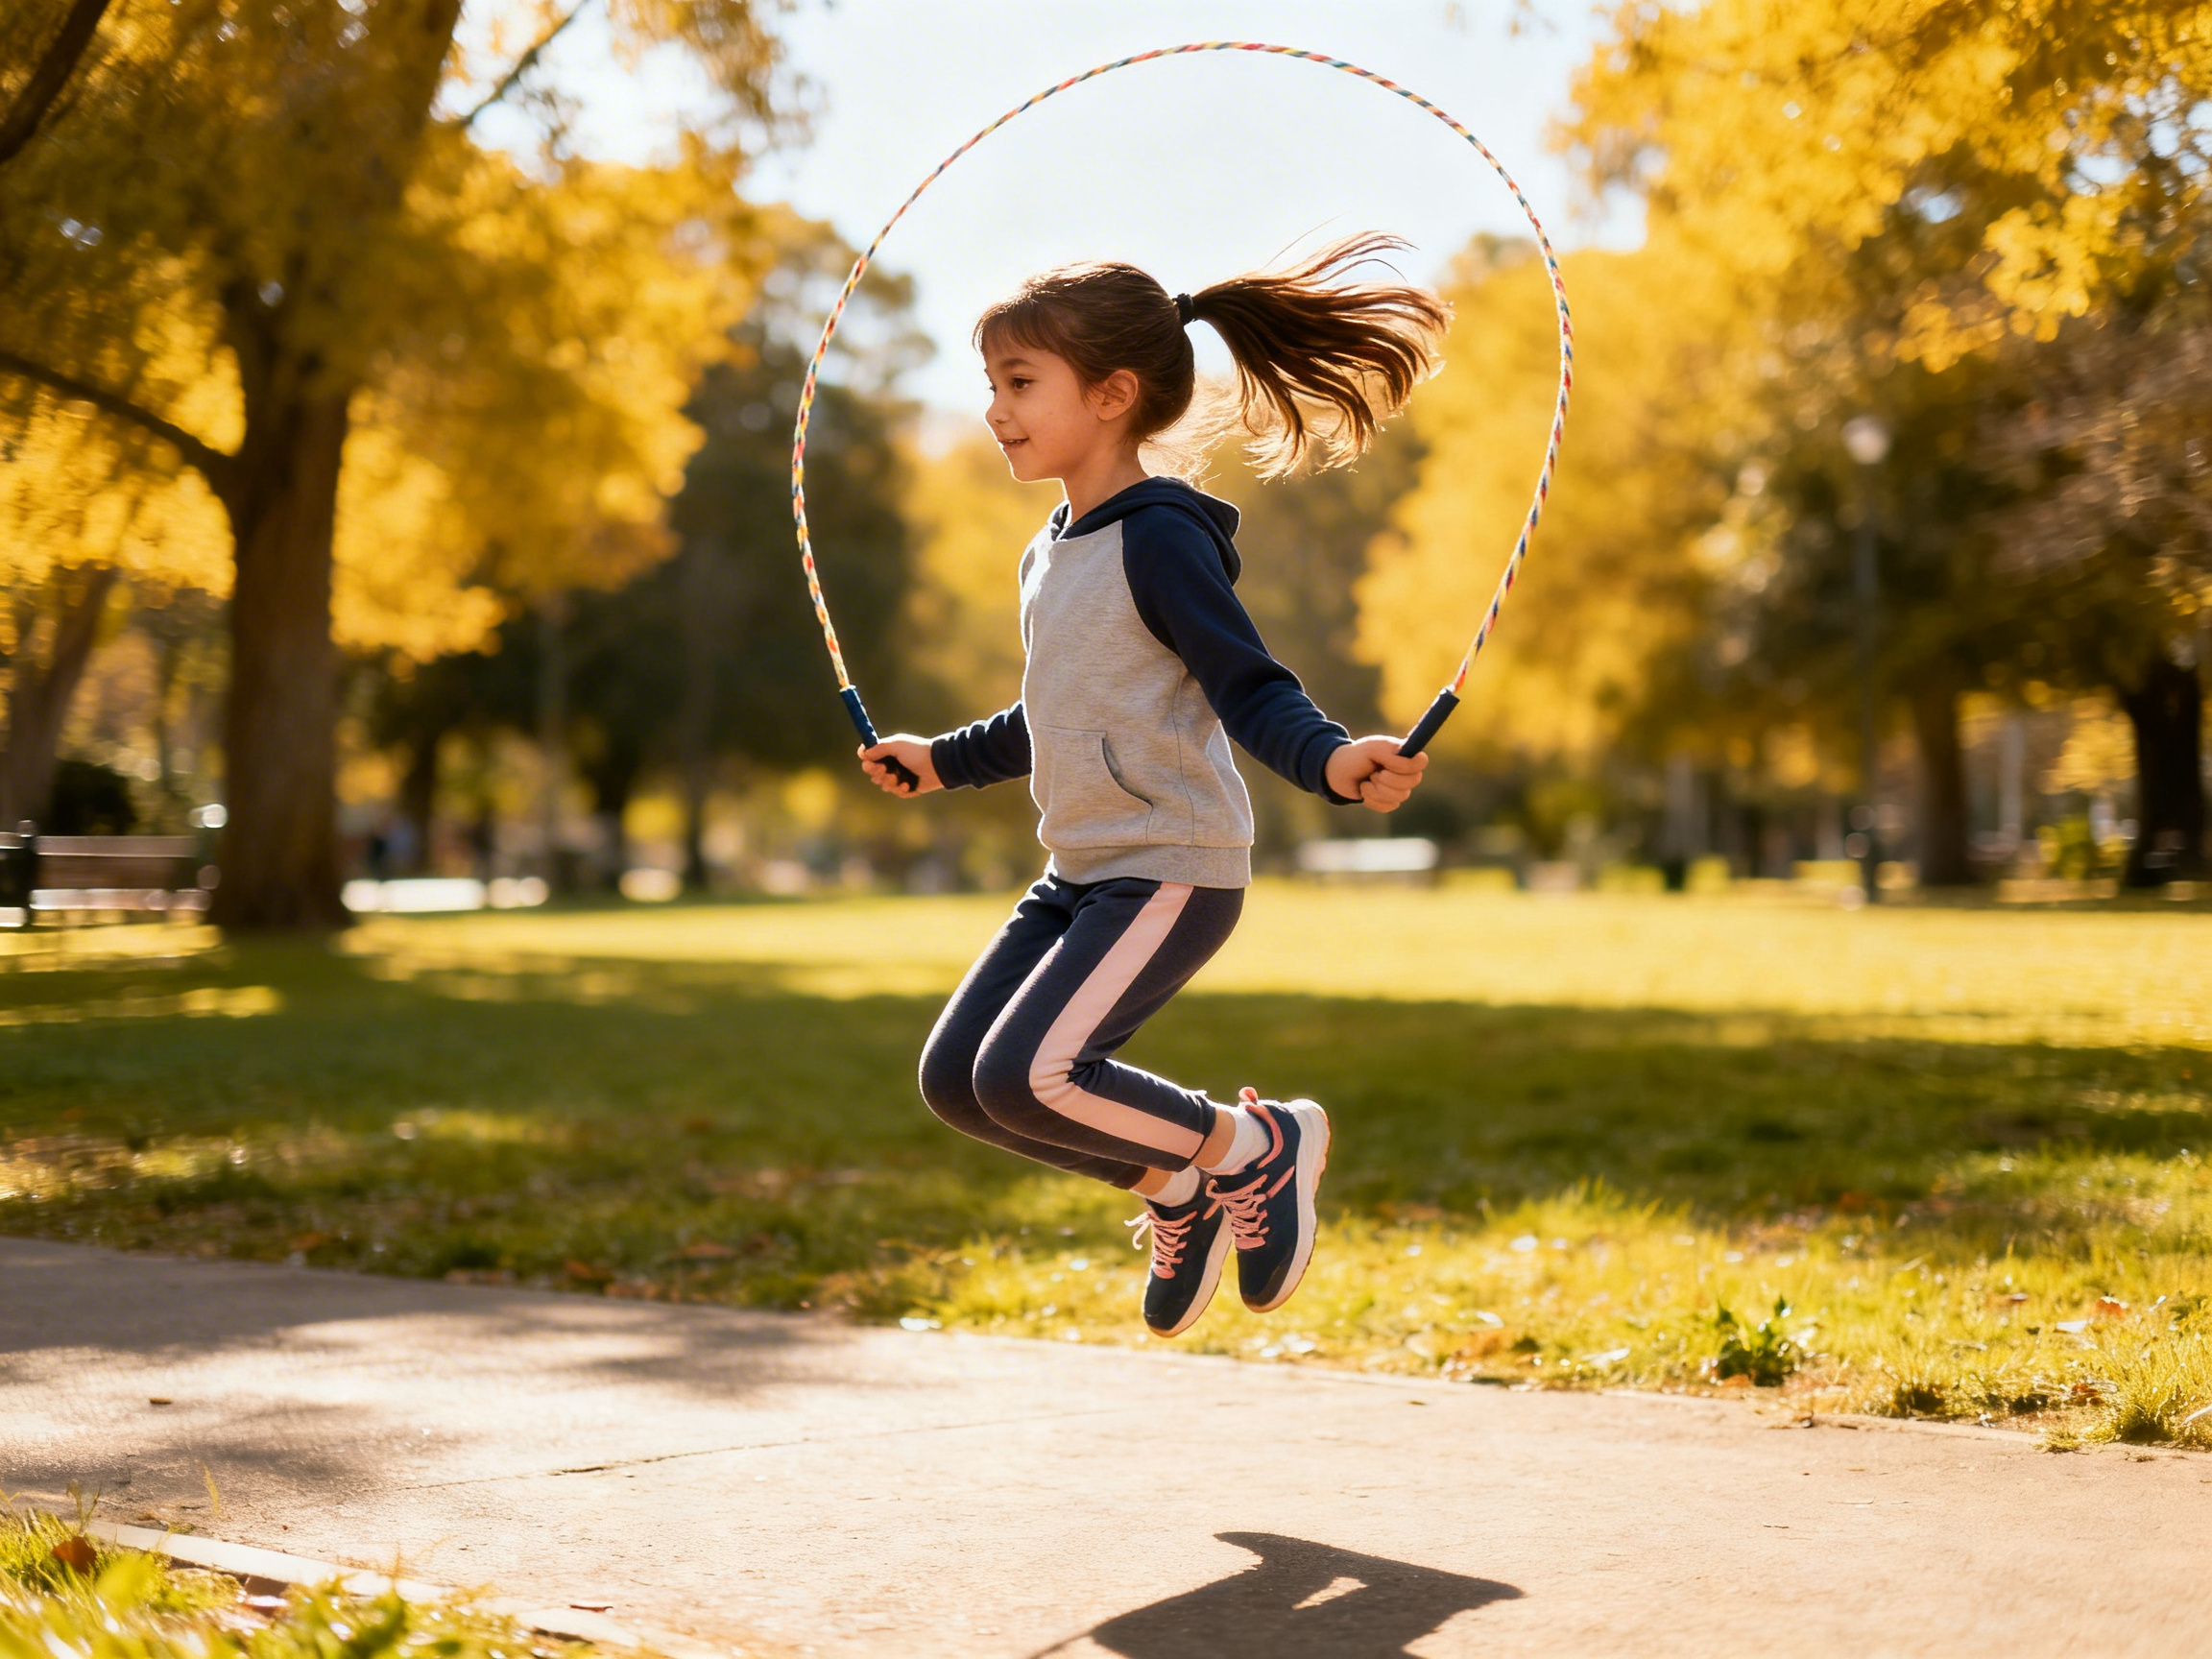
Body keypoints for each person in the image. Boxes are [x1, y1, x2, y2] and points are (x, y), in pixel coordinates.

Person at [858, 234, 1446, 1337]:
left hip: (1170, 865)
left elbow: (1246, 683)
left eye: (1020, 384)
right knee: (958, 1081)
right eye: (991, 385)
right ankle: (1177, 1185)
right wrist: (942, 759)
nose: (995, 410)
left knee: (1034, 1072)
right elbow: (1060, 714)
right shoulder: (1052, 548)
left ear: (1115, 394)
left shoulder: (1162, 537)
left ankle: (1257, 1149)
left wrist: (1328, 759)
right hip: (1080, 871)